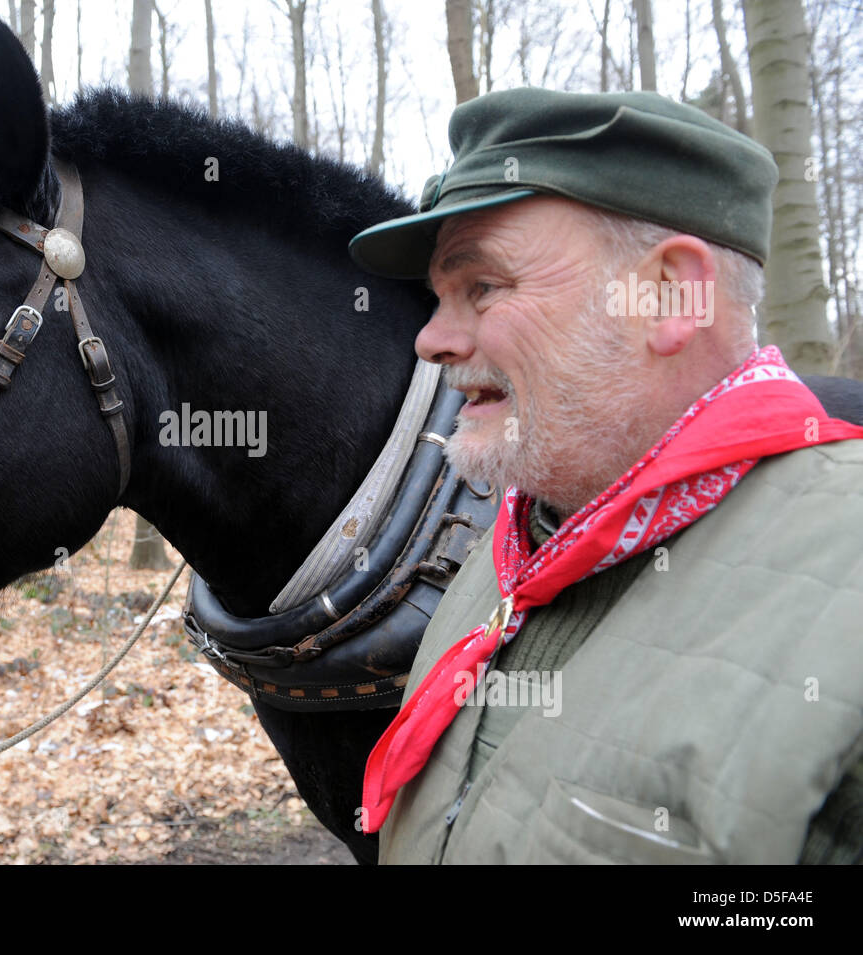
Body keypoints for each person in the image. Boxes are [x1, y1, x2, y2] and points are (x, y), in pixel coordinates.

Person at [346, 88, 863, 864]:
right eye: (438, 298)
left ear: (668, 294)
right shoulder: (515, 546)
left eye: (481, 286)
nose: (431, 339)